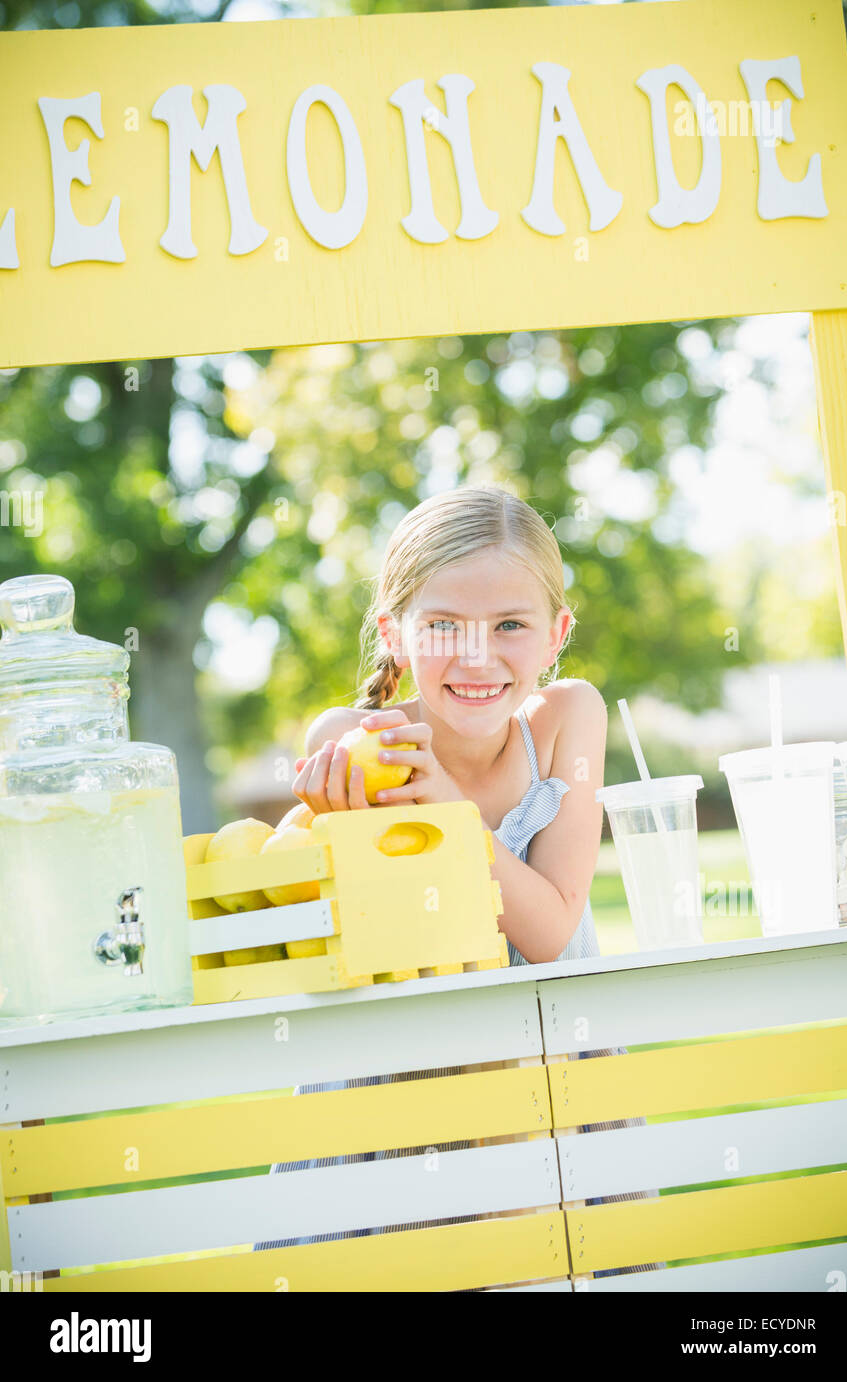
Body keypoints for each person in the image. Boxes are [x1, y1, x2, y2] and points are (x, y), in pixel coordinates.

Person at [254, 484, 662, 1277]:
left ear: (556, 635)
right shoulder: (360, 742)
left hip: (561, 1091)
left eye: (510, 624)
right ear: (394, 635)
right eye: (443, 625)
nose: (478, 656)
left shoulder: (570, 717)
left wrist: (450, 814)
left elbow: (547, 934)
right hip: (402, 1104)